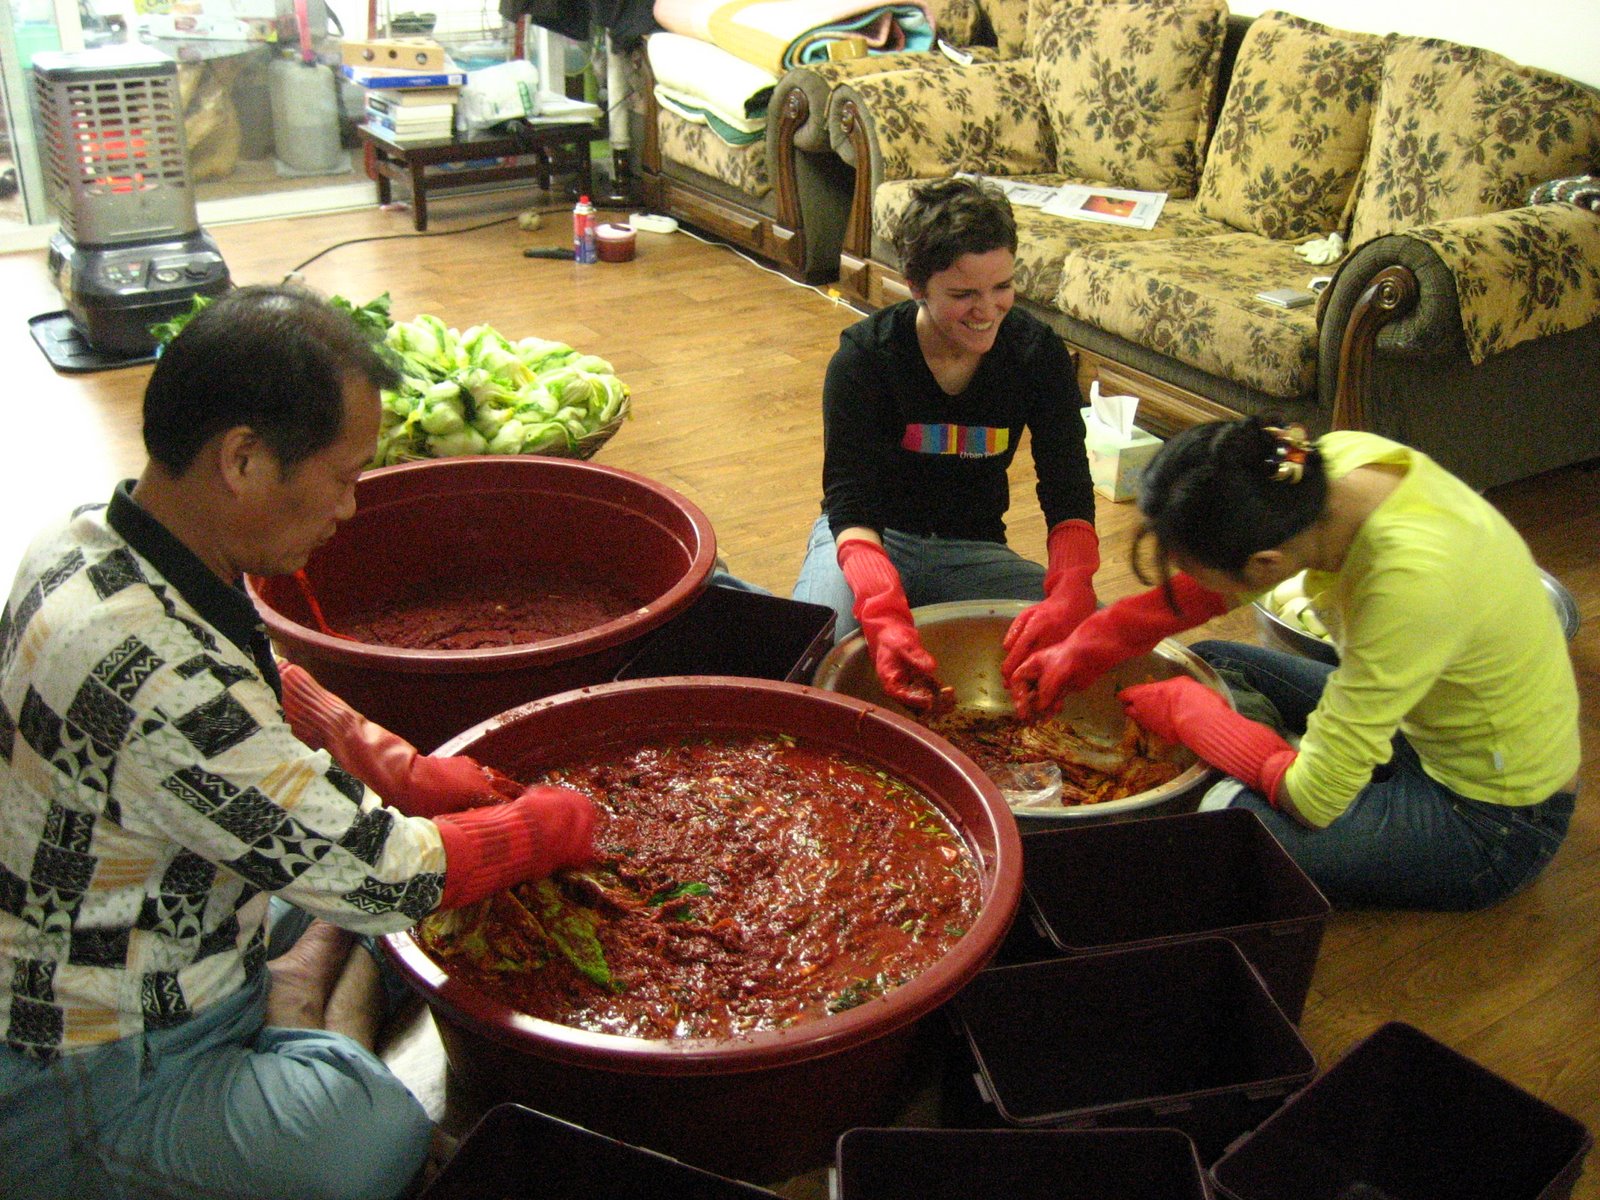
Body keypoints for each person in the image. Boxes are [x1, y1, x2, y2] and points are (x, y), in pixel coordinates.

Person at [0, 283, 596, 1200]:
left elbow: (234, 686)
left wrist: (382, 755)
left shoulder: (85, 541)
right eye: (343, 476)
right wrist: (550, 825)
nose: (350, 507)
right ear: (242, 459)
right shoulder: (153, 673)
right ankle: (309, 1015)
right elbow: (389, 875)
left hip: (180, 922)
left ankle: (302, 990)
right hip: (98, 1058)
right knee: (374, 1136)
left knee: (386, 887)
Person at [1006, 417, 1579, 910]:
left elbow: (1314, 802)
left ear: (1265, 562)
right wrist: (1093, 642)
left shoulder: (1408, 587)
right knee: (1213, 663)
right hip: (1419, 724)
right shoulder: (1315, 473)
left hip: (1492, 822)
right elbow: (1220, 588)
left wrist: (1196, 720)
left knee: (1219, 817)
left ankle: (1279, 764)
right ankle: (1288, 756)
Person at [792, 174, 1098, 710]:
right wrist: (882, 608)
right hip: (871, 541)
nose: (988, 310)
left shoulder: (1037, 355)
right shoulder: (865, 359)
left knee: (1096, 640)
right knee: (810, 657)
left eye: (1002, 287)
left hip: (972, 550)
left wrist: (1073, 585)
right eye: (963, 295)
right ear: (916, 286)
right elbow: (849, 501)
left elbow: (1067, 485)